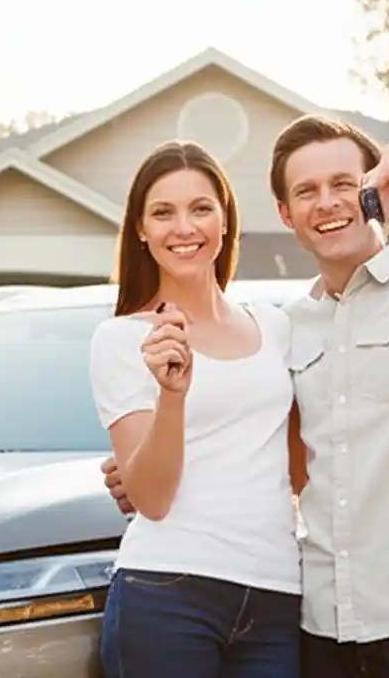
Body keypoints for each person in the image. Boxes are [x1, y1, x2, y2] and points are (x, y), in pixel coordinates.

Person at [103, 115, 389, 677]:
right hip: (326, 624)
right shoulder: (290, 327)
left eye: (343, 185)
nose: (326, 203)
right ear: (286, 214)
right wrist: (140, 467)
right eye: (306, 191)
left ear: (374, 193)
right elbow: (282, 455)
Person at [89, 139, 306, 678]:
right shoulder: (120, 341)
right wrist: (172, 395)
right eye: (163, 212)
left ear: (226, 219)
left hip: (276, 594)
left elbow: (305, 465)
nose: (183, 227)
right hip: (166, 592)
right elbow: (152, 498)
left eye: (201, 208)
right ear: (141, 229)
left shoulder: (277, 326)